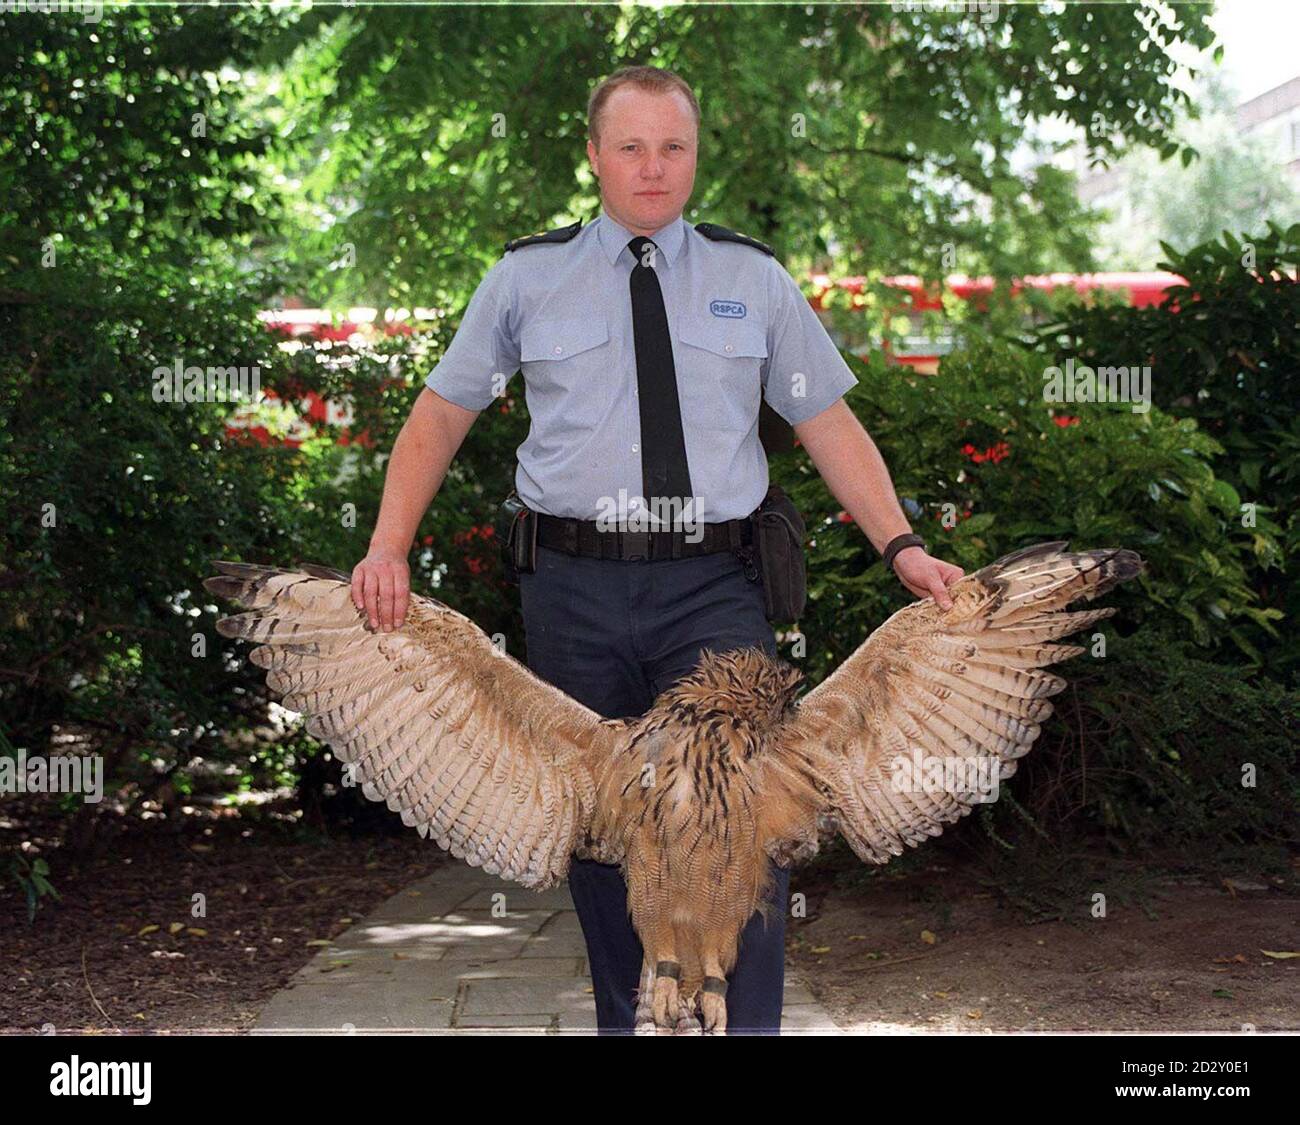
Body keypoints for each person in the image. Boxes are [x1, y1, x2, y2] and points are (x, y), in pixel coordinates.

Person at [350, 65, 965, 1033]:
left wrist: (904, 548)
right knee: (602, 829)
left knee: (738, 817)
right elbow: (440, 413)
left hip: (712, 587)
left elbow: (828, 423)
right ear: (593, 156)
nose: (652, 167)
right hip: (572, 588)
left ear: (695, 157)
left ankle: (744, 1025)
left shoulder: (750, 278)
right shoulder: (525, 277)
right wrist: (388, 548)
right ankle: (625, 1023)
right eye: (630, 146)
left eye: (672, 146)